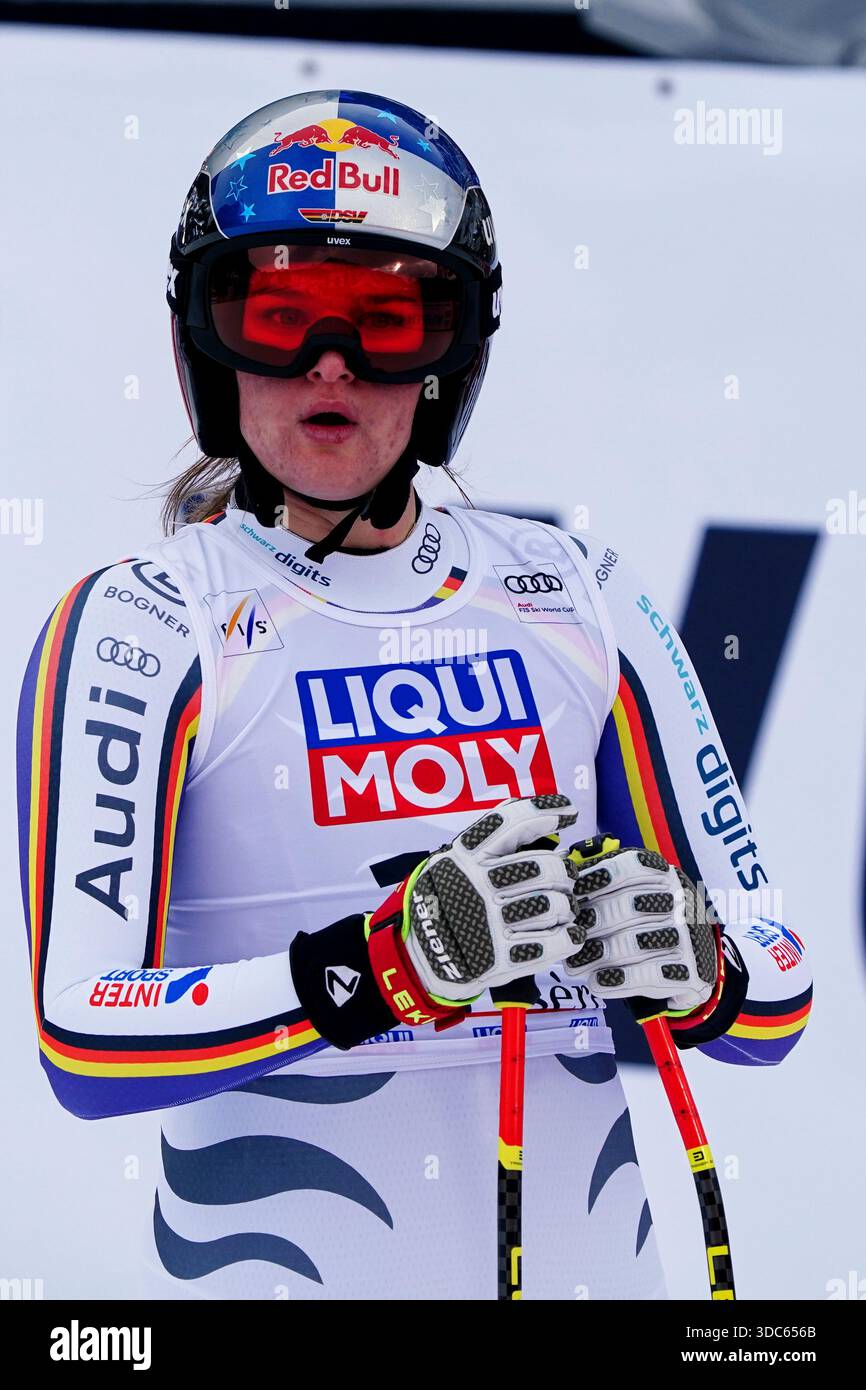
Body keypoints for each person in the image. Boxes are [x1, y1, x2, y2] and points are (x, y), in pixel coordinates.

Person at [16, 90, 811, 1300]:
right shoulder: (140, 623)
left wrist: (697, 965)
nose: (329, 365)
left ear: (453, 357)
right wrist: (380, 965)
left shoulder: (573, 590)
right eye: (275, 313)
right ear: (204, 344)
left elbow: (779, 985)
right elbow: (85, 1038)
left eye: (389, 319)